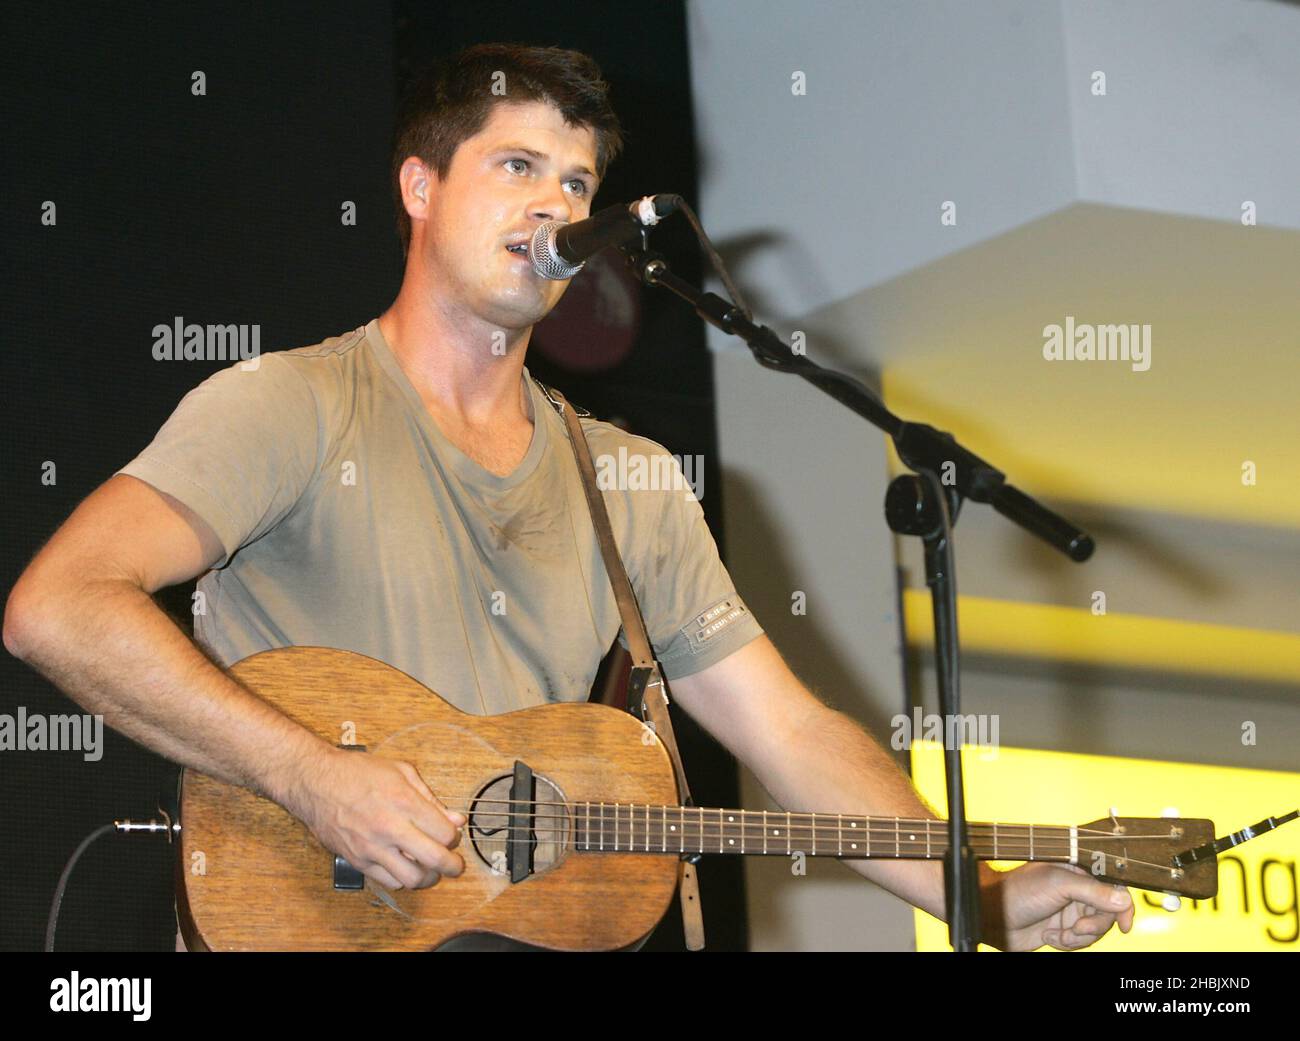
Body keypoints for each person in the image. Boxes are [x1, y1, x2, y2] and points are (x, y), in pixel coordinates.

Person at [3, 43, 1133, 952]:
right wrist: (312, 777)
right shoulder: (290, 405)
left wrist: (975, 894)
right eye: (516, 166)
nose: (555, 203)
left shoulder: (629, 481)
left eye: (578, 184)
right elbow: (59, 605)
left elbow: (785, 730)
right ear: (418, 187)